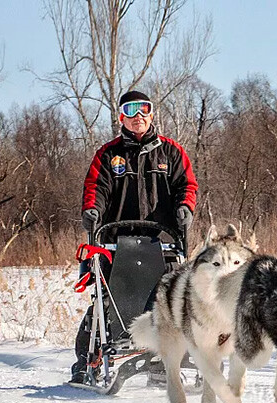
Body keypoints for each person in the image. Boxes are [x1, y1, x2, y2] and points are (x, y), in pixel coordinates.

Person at [70, 90, 198, 383]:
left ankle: (175, 358)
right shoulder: (108, 154)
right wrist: (92, 210)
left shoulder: (171, 151)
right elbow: (95, 188)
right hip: (116, 240)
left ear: (152, 115)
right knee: (107, 300)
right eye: (131, 110)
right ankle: (85, 360)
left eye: (144, 110)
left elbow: (187, 185)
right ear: (121, 117)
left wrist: (185, 207)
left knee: (171, 301)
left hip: (161, 242)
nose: (138, 116)